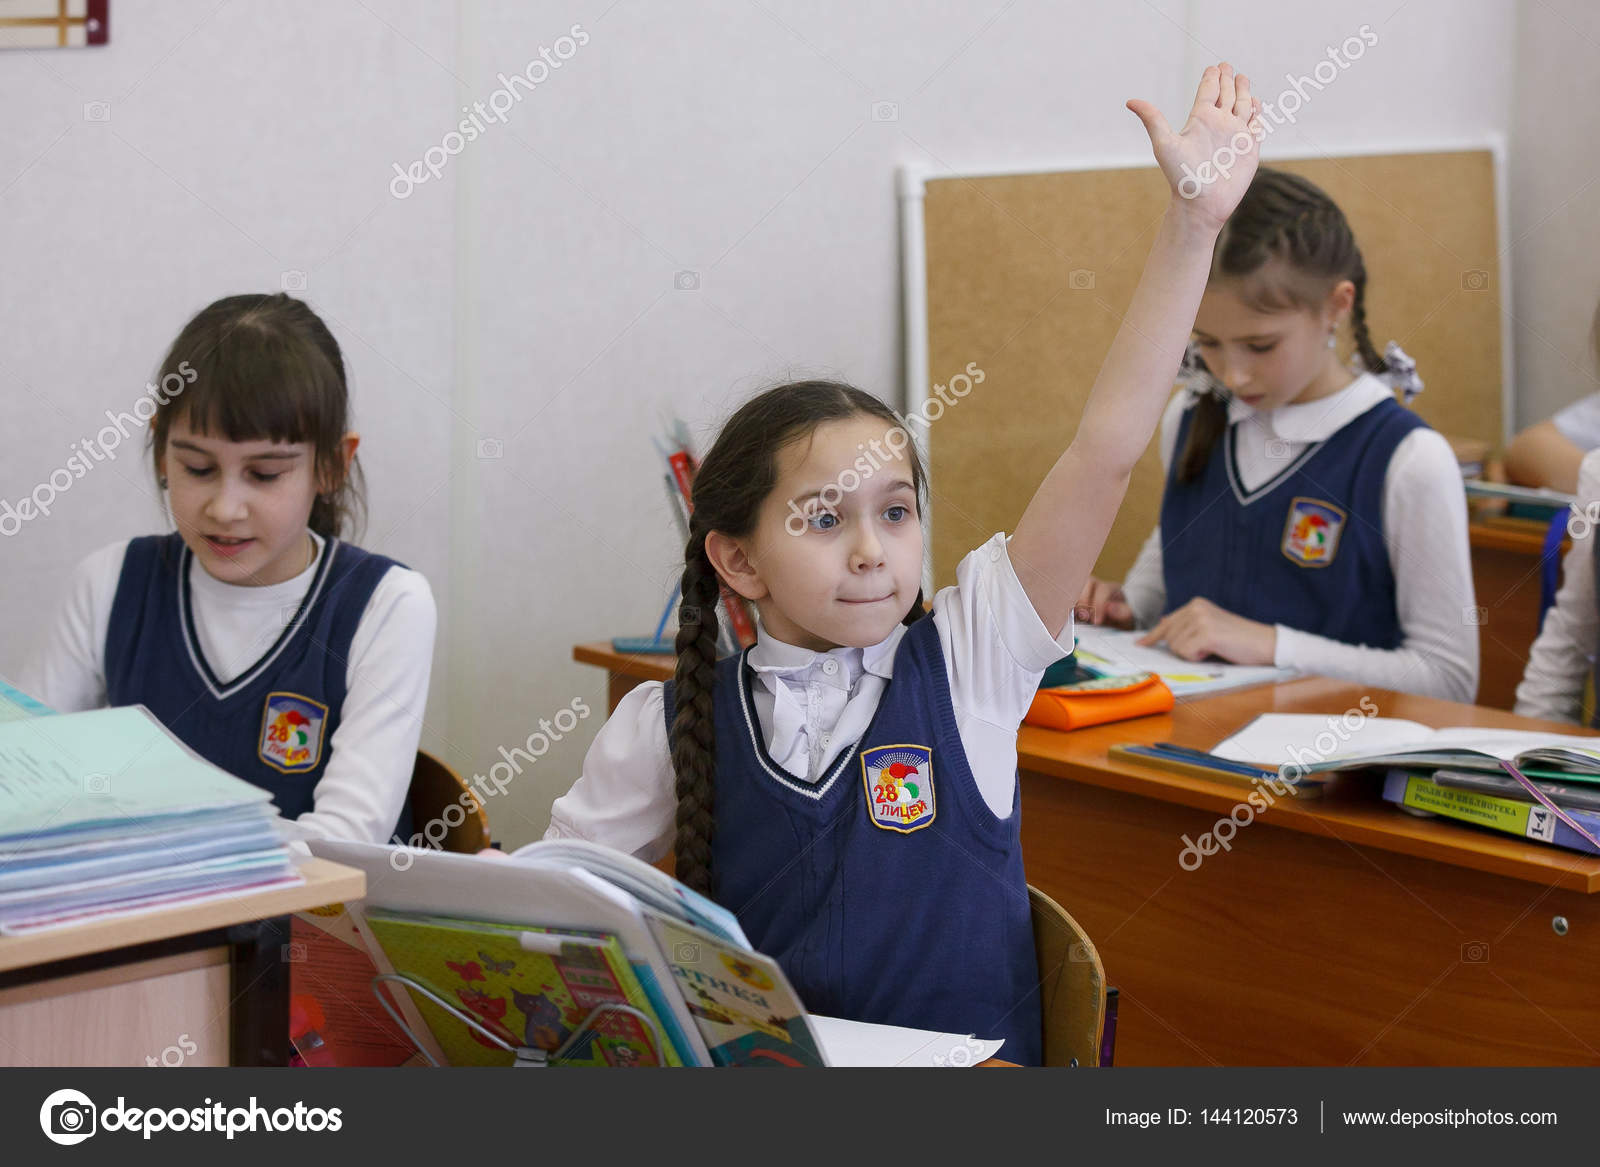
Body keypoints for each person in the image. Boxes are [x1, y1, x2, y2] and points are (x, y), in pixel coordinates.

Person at [20, 293, 436, 843]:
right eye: (198, 467)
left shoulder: (388, 605)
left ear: (332, 465)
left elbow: (344, 842)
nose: (224, 508)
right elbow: (24, 782)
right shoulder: (109, 583)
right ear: (162, 451)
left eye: (264, 474)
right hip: (138, 921)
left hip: (302, 925)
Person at [1075, 168, 1478, 702]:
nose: (1232, 374)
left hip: (1334, 770)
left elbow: (1449, 680)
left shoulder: (1409, 459)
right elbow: (1169, 586)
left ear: (1337, 305)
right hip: (1190, 750)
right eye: (1209, 343)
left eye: (1261, 346)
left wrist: (1273, 645)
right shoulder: (1190, 416)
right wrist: (1126, 609)